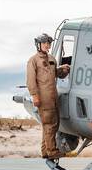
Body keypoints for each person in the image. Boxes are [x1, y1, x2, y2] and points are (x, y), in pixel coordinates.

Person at [26, 32, 69, 160]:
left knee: (53, 124)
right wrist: (34, 96)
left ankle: (45, 151)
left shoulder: (51, 59)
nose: (47, 45)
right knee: (49, 124)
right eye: (44, 43)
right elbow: (30, 80)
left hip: (53, 96)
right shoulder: (33, 61)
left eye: (48, 43)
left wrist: (63, 70)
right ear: (38, 45)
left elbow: (54, 74)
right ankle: (52, 151)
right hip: (43, 97)